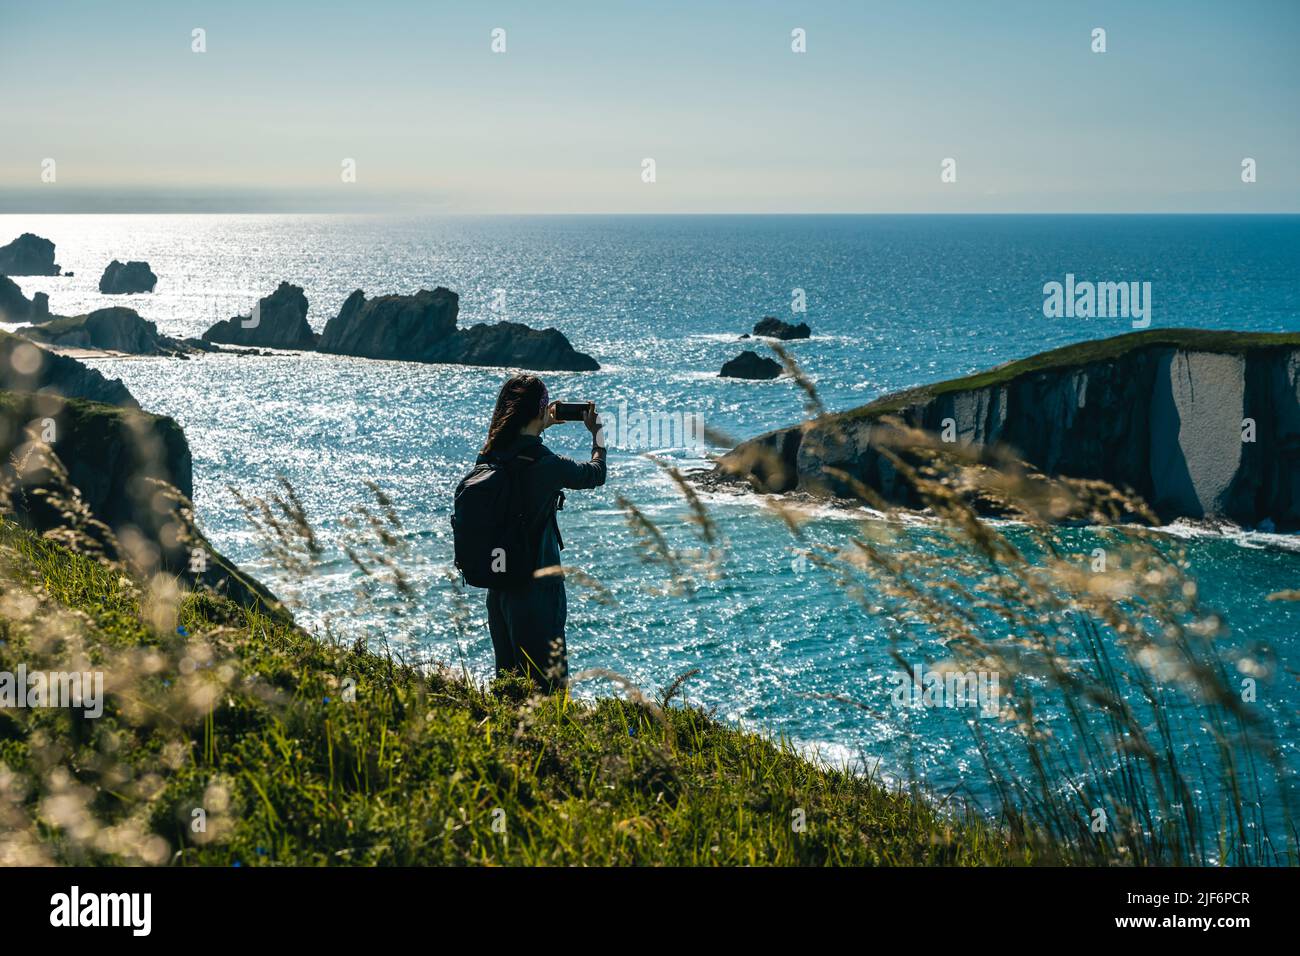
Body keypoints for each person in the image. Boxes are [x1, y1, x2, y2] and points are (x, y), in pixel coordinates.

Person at [477, 373, 605, 691]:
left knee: (509, 688)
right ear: (539, 411)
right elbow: (596, 473)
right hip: (538, 591)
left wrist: (539, 422)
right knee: (548, 691)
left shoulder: (488, 457)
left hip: (500, 588)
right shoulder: (548, 465)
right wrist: (598, 434)